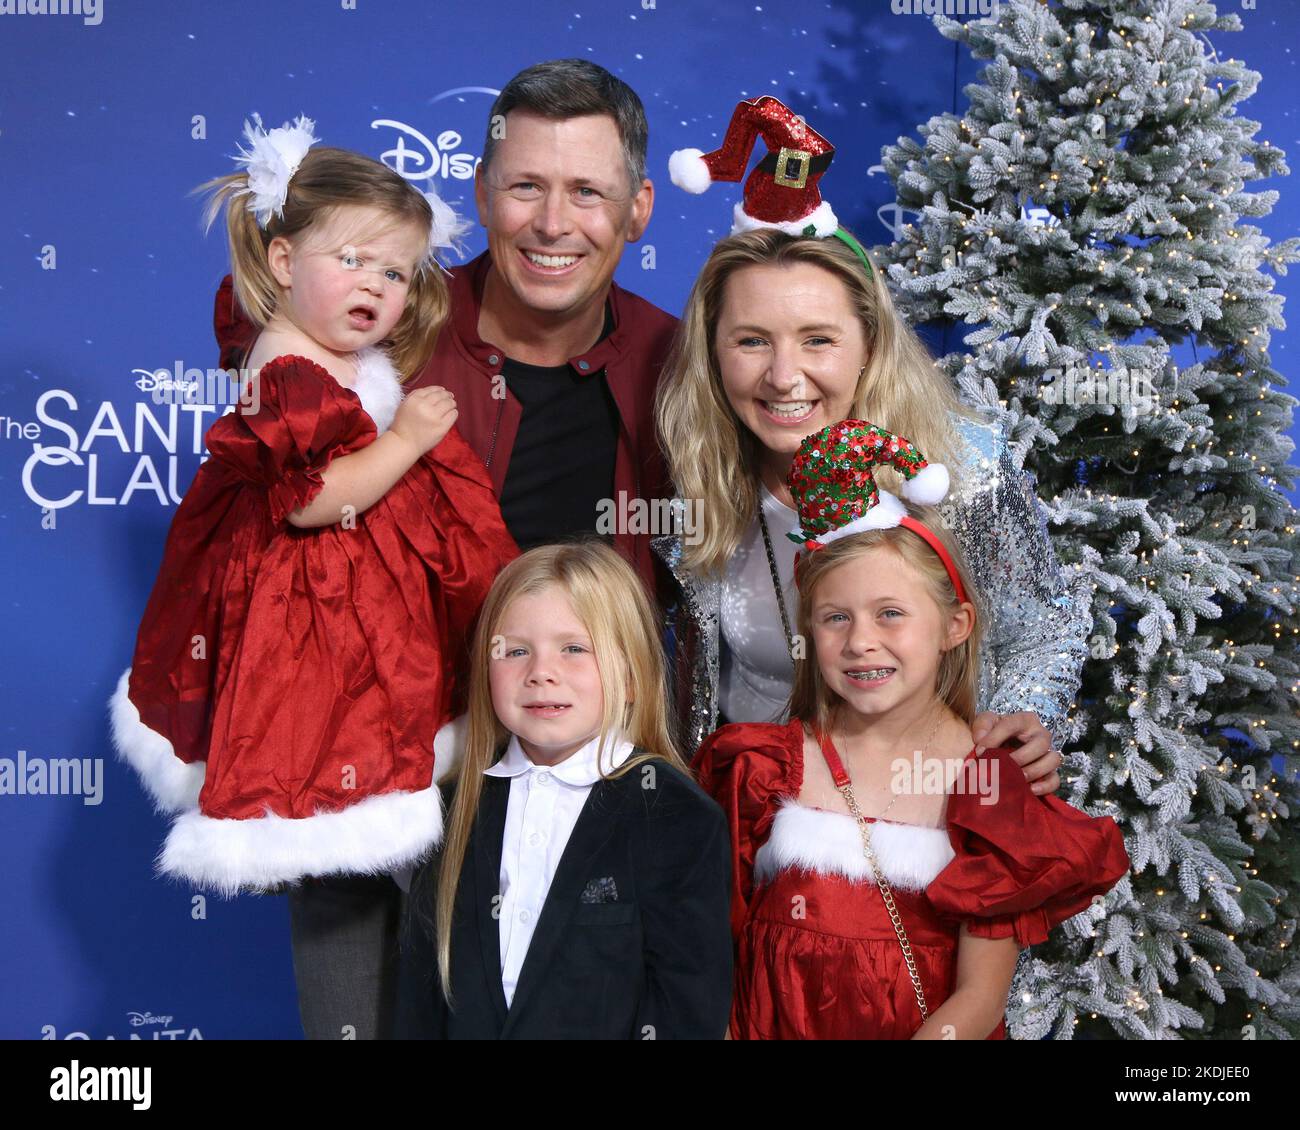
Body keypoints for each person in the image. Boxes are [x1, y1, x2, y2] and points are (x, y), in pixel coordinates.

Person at [109, 114, 518, 1039]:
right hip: (319, 643)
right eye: (356, 261)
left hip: (363, 627)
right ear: (285, 260)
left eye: (396, 272)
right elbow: (311, 501)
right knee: (346, 837)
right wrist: (410, 438)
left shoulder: (330, 353)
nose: (377, 286)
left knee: (398, 848)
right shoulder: (288, 365)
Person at [654, 96, 1091, 784]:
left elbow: (1044, 626)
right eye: (751, 341)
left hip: (921, 821)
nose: (783, 376)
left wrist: (1025, 720)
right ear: (713, 352)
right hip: (749, 834)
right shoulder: (694, 477)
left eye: (818, 340)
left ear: (869, 346)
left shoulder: (959, 467)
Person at [694, 421, 1130, 1039]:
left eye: (891, 614)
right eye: (835, 618)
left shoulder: (987, 789)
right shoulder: (759, 770)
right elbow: (712, 953)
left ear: (955, 625)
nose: (861, 641)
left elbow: (979, 999)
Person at [213, 59, 677, 597]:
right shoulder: (377, 322)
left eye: (587, 192)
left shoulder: (679, 362)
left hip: (606, 679)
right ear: (482, 193)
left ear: (639, 210)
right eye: (526, 186)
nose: (553, 225)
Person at [397, 541, 732, 1039]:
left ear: (632, 673)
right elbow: (418, 1008)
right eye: (514, 651)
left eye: (574, 649)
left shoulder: (677, 817)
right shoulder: (448, 811)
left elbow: (687, 1009)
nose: (540, 673)